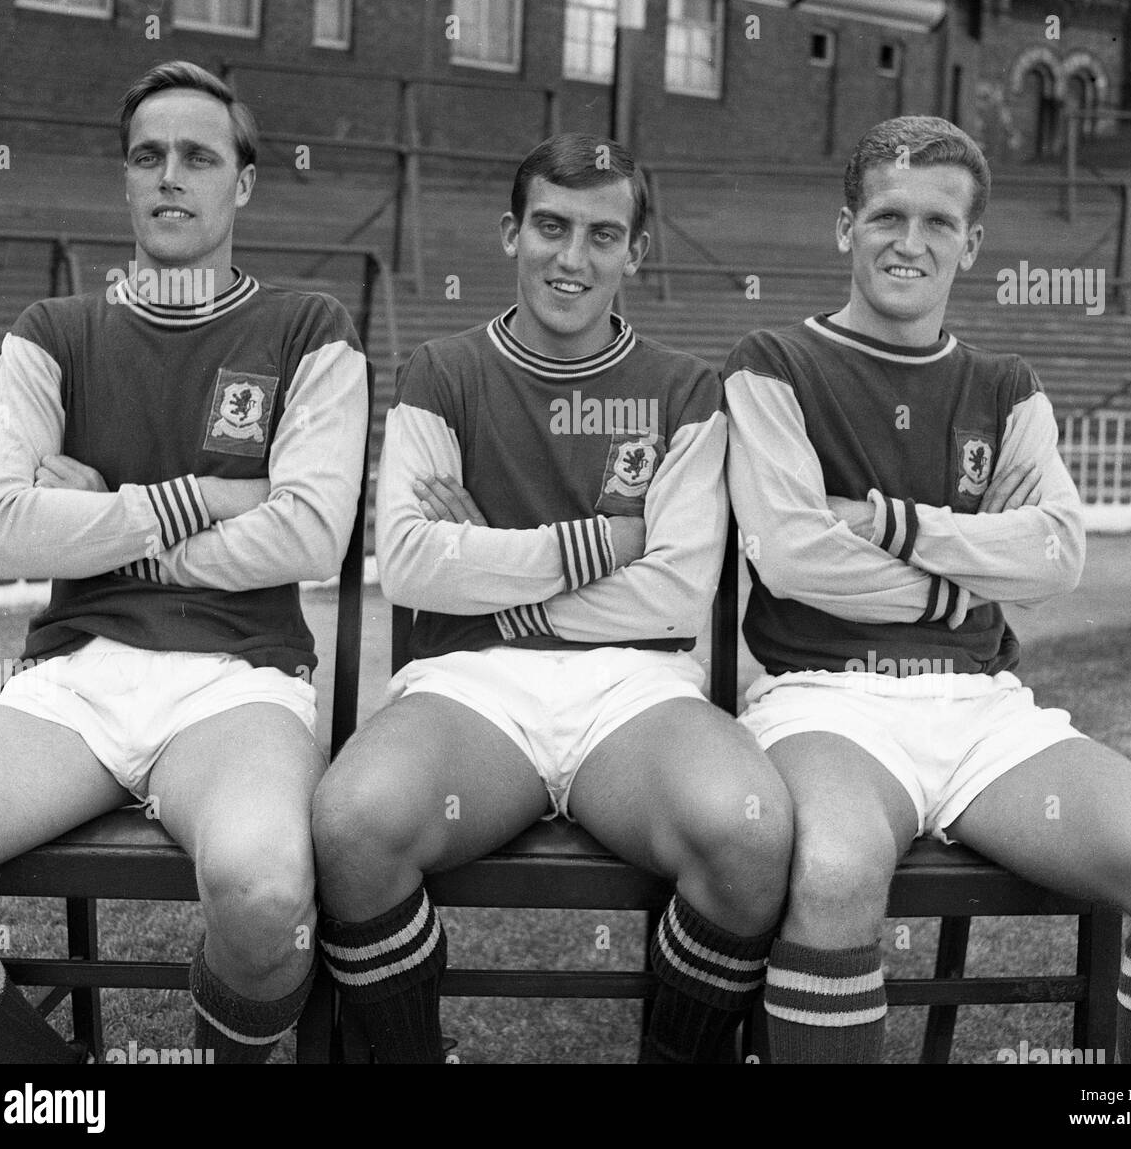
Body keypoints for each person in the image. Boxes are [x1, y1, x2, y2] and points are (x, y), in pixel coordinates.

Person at [724, 115, 1131, 1064]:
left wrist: (892, 523)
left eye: (937, 221)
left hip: (983, 710)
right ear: (846, 228)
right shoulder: (773, 365)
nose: (908, 242)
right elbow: (793, 555)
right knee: (838, 869)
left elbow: (1053, 555)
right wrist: (963, 584)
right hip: (823, 700)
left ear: (973, 242)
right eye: (885, 215)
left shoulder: (1007, 387)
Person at [313, 133, 791, 1064]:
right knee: (351, 823)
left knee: (748, 831)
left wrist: (491, 565)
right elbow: (408, 564)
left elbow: (675, 594)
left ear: (634, 252)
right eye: (551, 227)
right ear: (511, 233)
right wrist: (597, 545)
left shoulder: (685, 390)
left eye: (602, 235)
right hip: (468, 684)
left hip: (635, 690)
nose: (572, 258)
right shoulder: (441, 374)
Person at [0, 60, 368, 1063]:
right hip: (73, 681)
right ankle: (60, 1089)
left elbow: (309, 534)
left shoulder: (309, 328)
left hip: (240, 683)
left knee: (266, 887)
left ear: (244, 182)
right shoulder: (52, 330)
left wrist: (99, 514)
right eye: (149, 156)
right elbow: (4, 528)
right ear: (127, 180)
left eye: (198, 155)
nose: (170, 175)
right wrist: (204, 497)